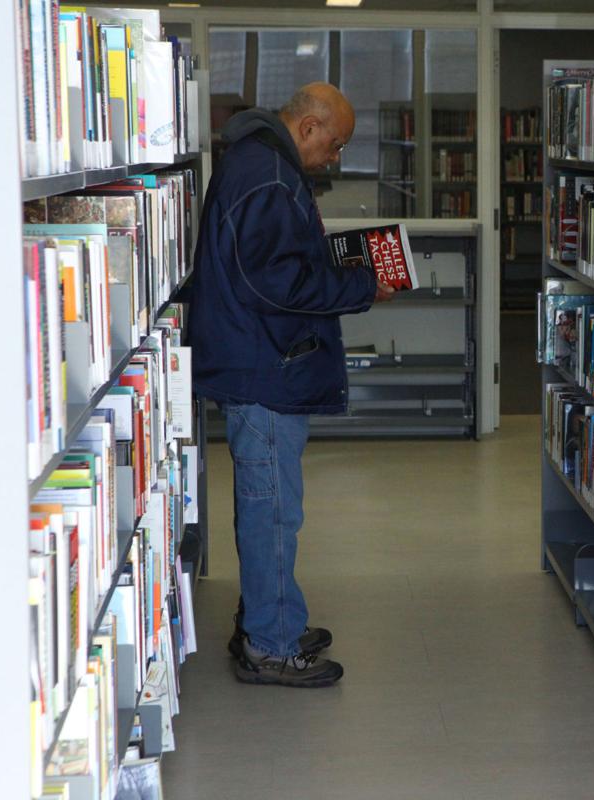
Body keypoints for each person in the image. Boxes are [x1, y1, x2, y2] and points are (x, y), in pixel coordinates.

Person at [187, 82, 393, 687]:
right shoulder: (270, 177)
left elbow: (274, 264)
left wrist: (336, 264)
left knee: (266, 503)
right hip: (265, 367)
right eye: (334, 145)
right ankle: (271, 646)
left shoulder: (259, 163)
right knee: (273, 510)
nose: (334, 158)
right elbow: (275, 285)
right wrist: (359, 287)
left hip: (258, 360)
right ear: (307, 128)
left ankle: (268, 619)